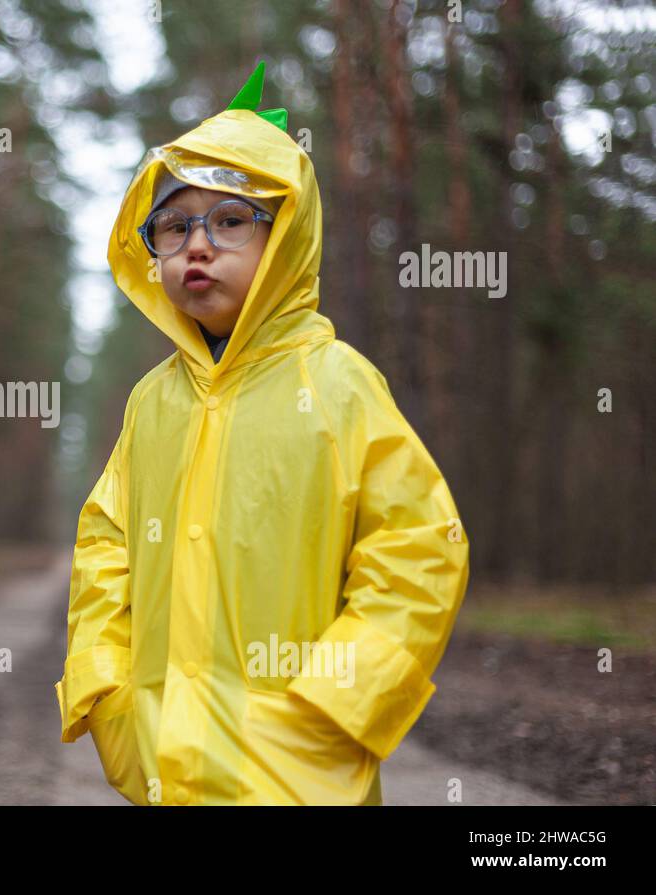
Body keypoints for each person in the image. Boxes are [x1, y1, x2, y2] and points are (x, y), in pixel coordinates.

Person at [54, 61, 470, 806]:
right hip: (160, 769)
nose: (197, 246)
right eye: (174, 226)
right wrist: (107, 692)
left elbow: (416, 551)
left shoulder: (338, 384)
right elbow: (105, 546)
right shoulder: (152, 401)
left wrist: (333, 711)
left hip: (299, 778)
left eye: (230, 219)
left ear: (285, 237)